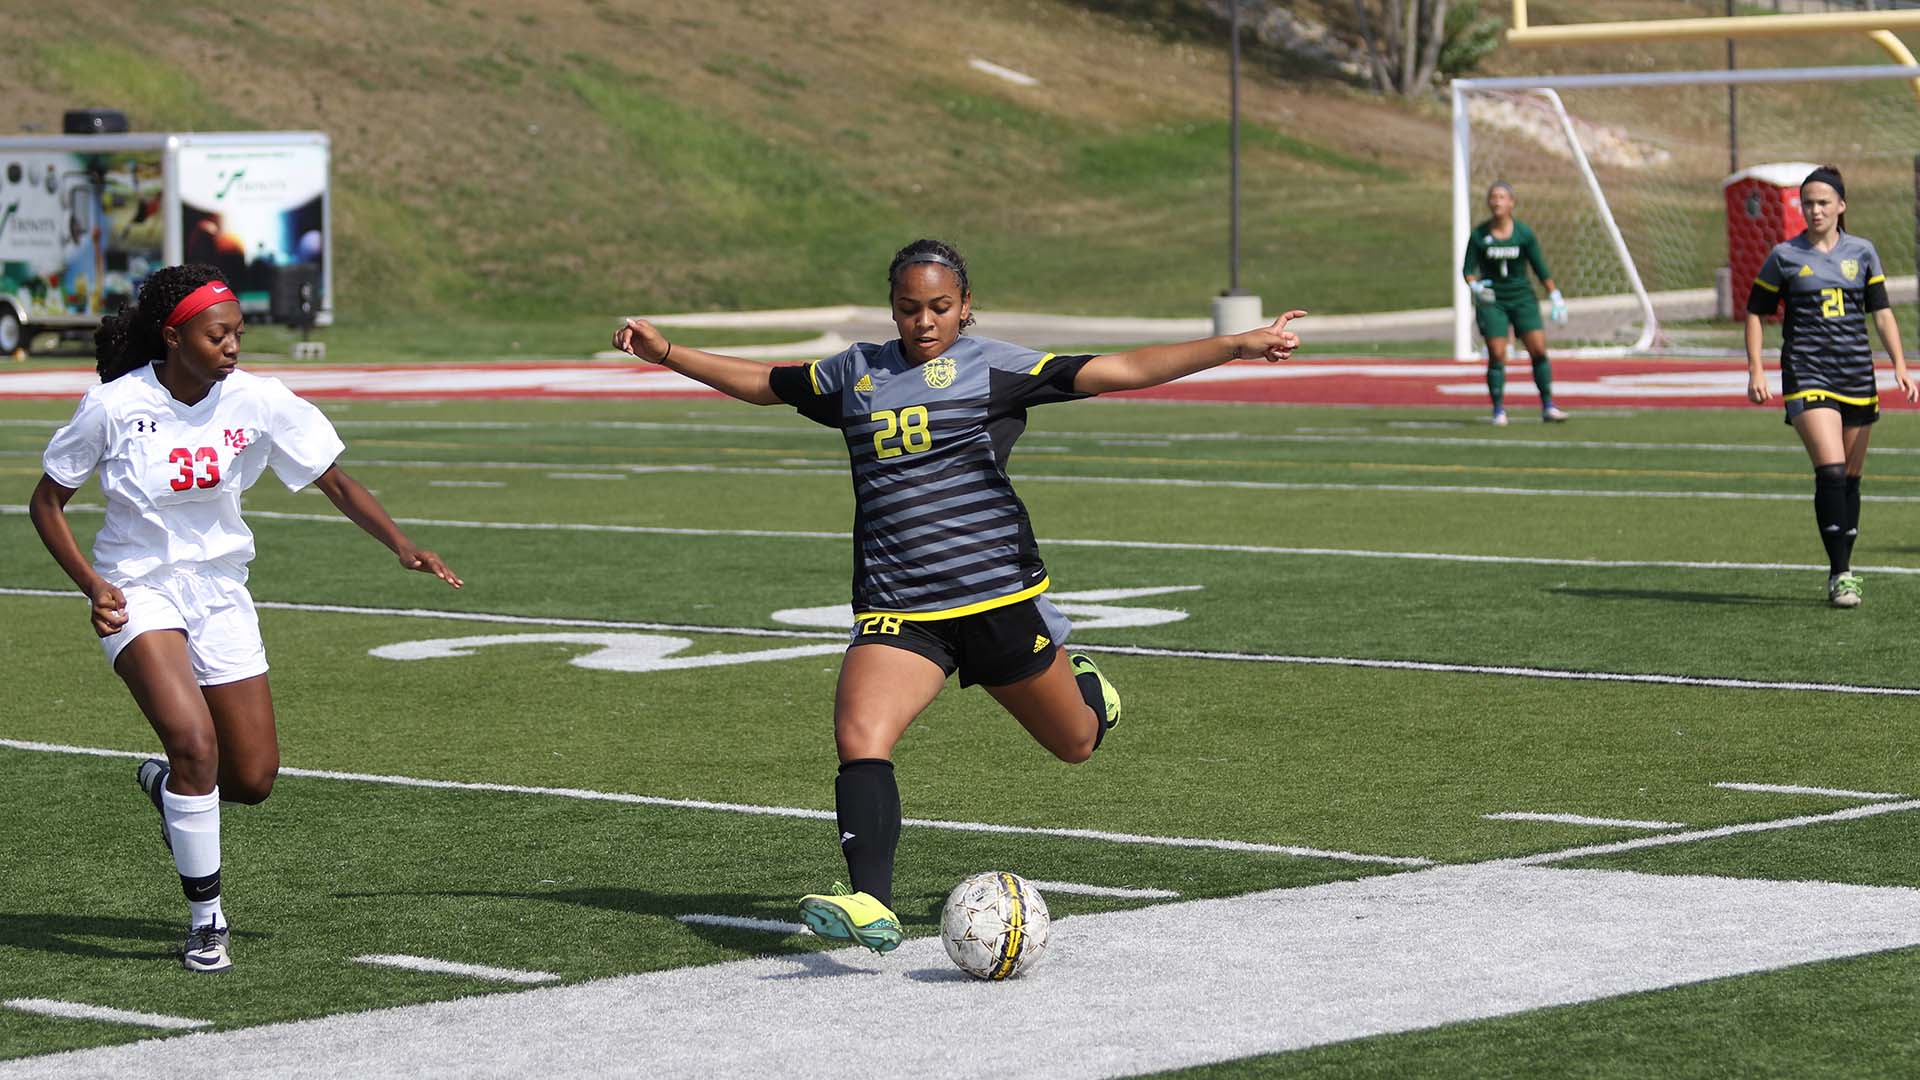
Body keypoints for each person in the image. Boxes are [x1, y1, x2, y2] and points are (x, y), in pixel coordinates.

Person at [613, 238, 1304, 952]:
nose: (924, 321)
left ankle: (1090, 691)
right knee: (860, 737)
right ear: (892, 308)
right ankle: (871, 902)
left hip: (997, 600)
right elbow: (766, 382)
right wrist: (668, 353)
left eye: (940, 307)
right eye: (909, 308)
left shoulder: (992, 367)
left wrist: (1239, 344)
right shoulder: (857, 372)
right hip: (899, 607)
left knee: (1075, 743)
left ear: (965, 306)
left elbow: (1121, 369)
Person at [28, 263, 462, 973]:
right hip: (140, 589)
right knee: (195, 744)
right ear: (174, 336)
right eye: (216, 333)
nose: (233, 345)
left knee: (252, 778)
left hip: (222, 590)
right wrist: (92, 584)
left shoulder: (258, 400)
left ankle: (167, 791)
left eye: (237, 332)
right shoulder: (114, 406)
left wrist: (402, 545)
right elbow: (47, 503)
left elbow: (335, 479)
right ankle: (207, 921)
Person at [1745, 165, 1915, 609]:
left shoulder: (1863, 252)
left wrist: (1899, 364)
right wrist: (1756, 370)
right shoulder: (1784, 255)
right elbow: (1755, 311)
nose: (1815, 210)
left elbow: (1881, 312)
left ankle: (1844, 565)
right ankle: (1841, 575)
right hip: (1807, 372)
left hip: (1856, 374)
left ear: (1841, 205)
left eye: (1823, 202)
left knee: (1852, 481)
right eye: (1808, 202)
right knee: (1832, 471)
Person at [1462, 181, 1570, 426]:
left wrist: (1555, 296)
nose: (1497, 201)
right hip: (1493, 302)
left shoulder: (1523, 233)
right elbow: (1467, 270)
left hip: (1522, 298)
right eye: (1493, 197)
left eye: (1502, 197)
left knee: (1539, 350)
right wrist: (1476, 286)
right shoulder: (1479, 235)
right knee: (1497, 354)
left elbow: (1540, 267)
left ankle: (1548, 406)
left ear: (1511, 202)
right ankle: (1498, 410)